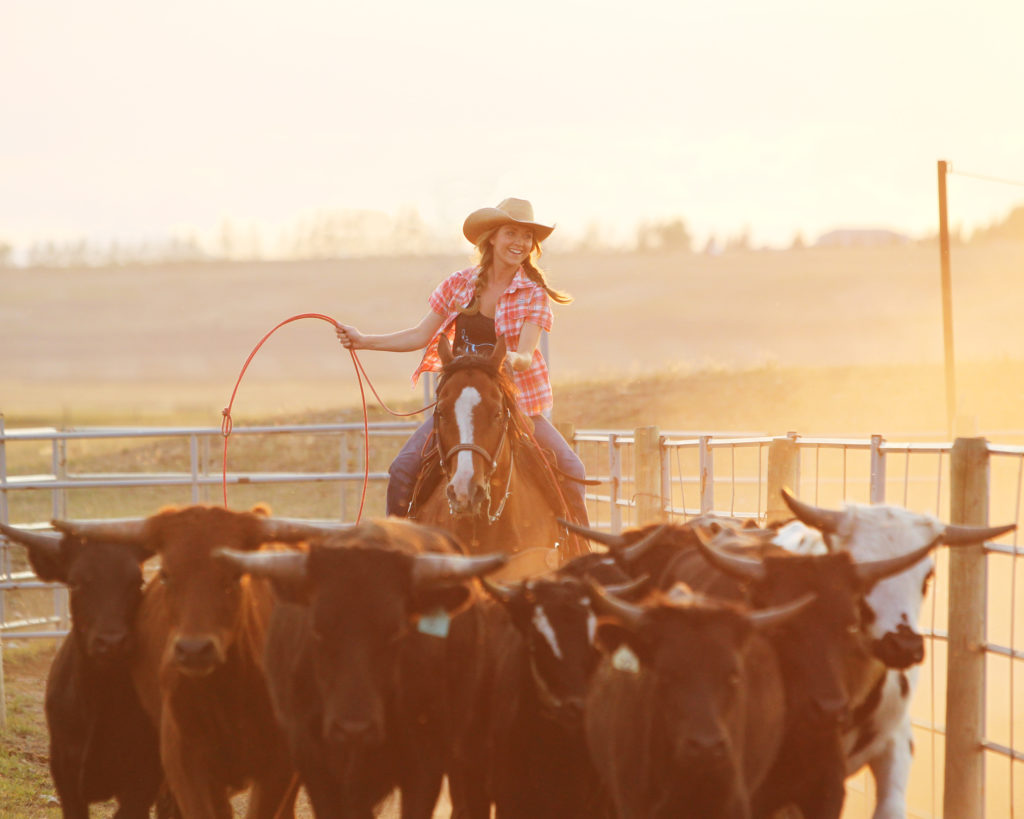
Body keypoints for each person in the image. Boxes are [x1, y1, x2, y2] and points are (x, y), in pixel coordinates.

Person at [335, 197, 589, 525]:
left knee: (571, 470)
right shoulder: (458, 284)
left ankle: (581, 549)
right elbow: (419, 335)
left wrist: (509, 358)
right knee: (403, 469)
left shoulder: (533, 293)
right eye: (511, 233)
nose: (521, 242)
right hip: (460, 407)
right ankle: (397, 545)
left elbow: (526, 354)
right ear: (492, 238)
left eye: (527, 236)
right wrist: (363, 341)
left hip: (515, 405)